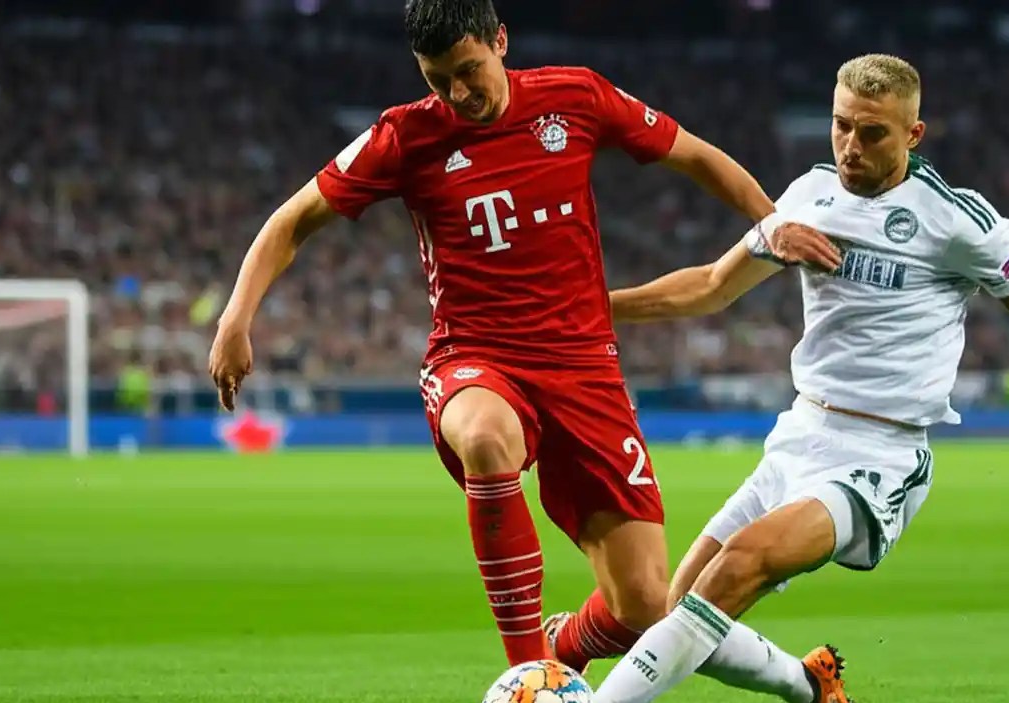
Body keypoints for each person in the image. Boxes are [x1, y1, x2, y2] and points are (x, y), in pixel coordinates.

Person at [205, 0, 839, 669]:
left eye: (468, 70)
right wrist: (235, 317)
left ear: (500, 41)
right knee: (485, 437)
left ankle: (560, 648)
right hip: (474, 358)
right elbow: (292, 221)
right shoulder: (404, 136)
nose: (456, 93)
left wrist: (771, 224)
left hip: (584, 369)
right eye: (436, 78)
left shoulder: (576, 97)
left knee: (645, 607)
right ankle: (527, 680)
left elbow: (696, 156)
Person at [584, 53, 1009, 703]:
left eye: (873, 133)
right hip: (799, 433)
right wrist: (585, 303)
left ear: (913, 135)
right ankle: (812, 687)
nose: (851, 146)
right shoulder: (807, 197)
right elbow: (710, 287)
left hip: (879, 456)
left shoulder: (959, 221)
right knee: (675, 618)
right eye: (840, 126)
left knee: (740, 567)